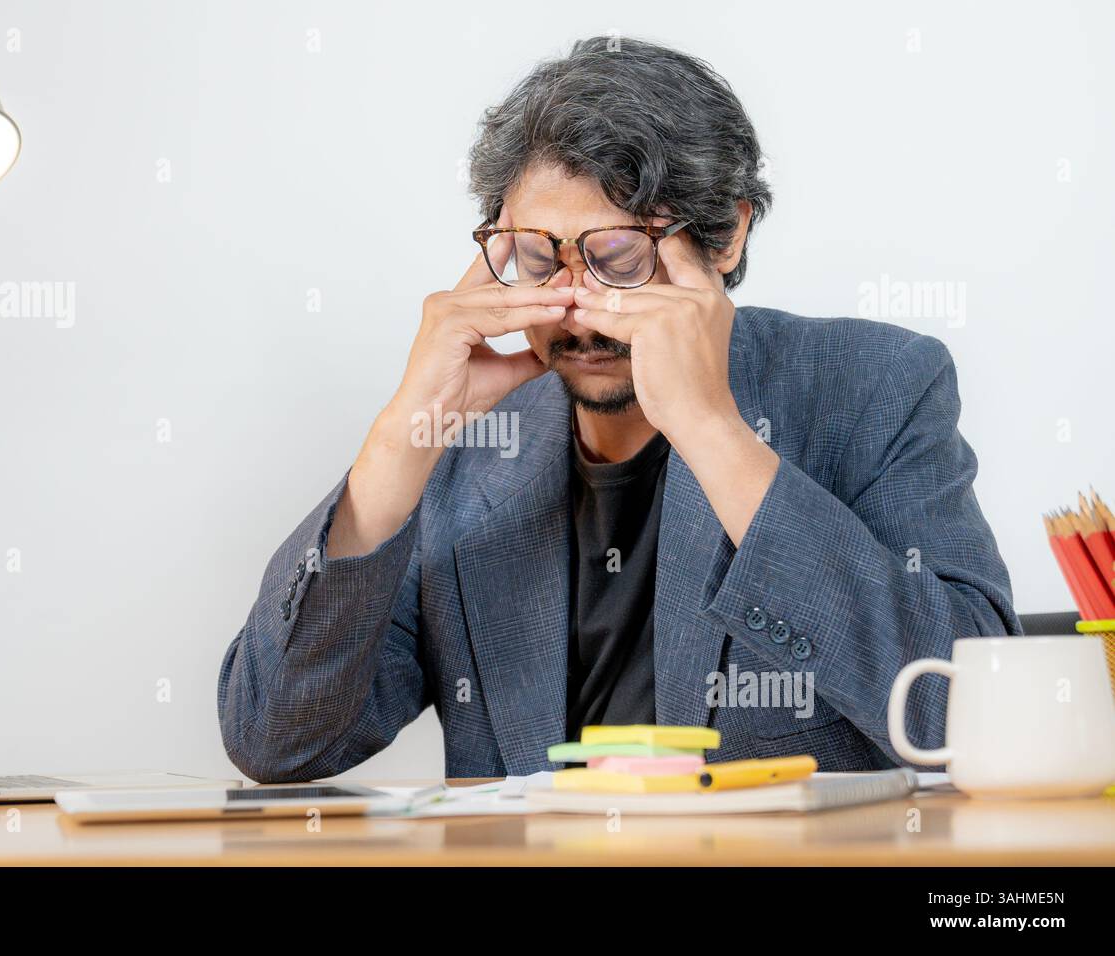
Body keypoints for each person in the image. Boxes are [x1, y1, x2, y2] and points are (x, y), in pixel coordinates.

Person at [218, 36, 1018, 781]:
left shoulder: (874, 386)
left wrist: (714, 434)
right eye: (538, 256)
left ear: (727, 236)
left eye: (618, 258)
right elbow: (276, 738)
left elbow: (974, 719)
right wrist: (397, 442)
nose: (578, 308)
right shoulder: (460, 444)